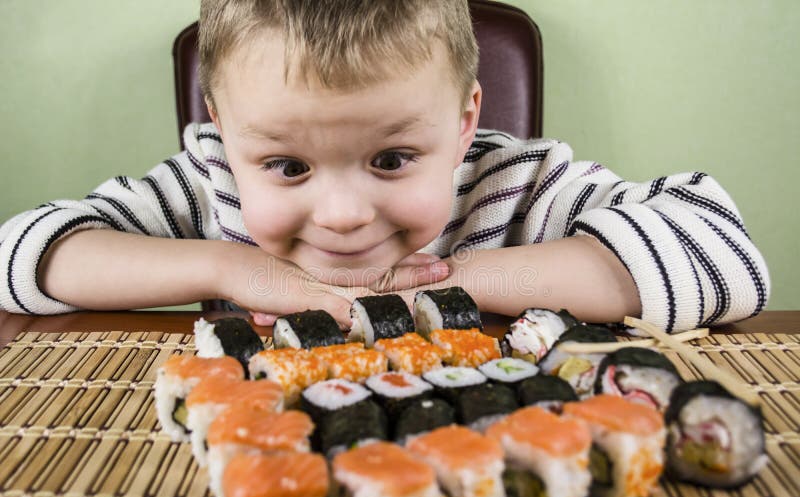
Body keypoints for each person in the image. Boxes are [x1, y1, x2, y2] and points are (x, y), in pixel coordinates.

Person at [0, 0, 769, 333]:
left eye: (393, 158)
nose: (341, 214)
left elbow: (724, 253)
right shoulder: (212, 190)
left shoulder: (515, 186)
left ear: (466, 121)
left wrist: (459, 284)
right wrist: (227, 270)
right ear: (222, 128)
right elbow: (18, 256)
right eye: (288, 166)